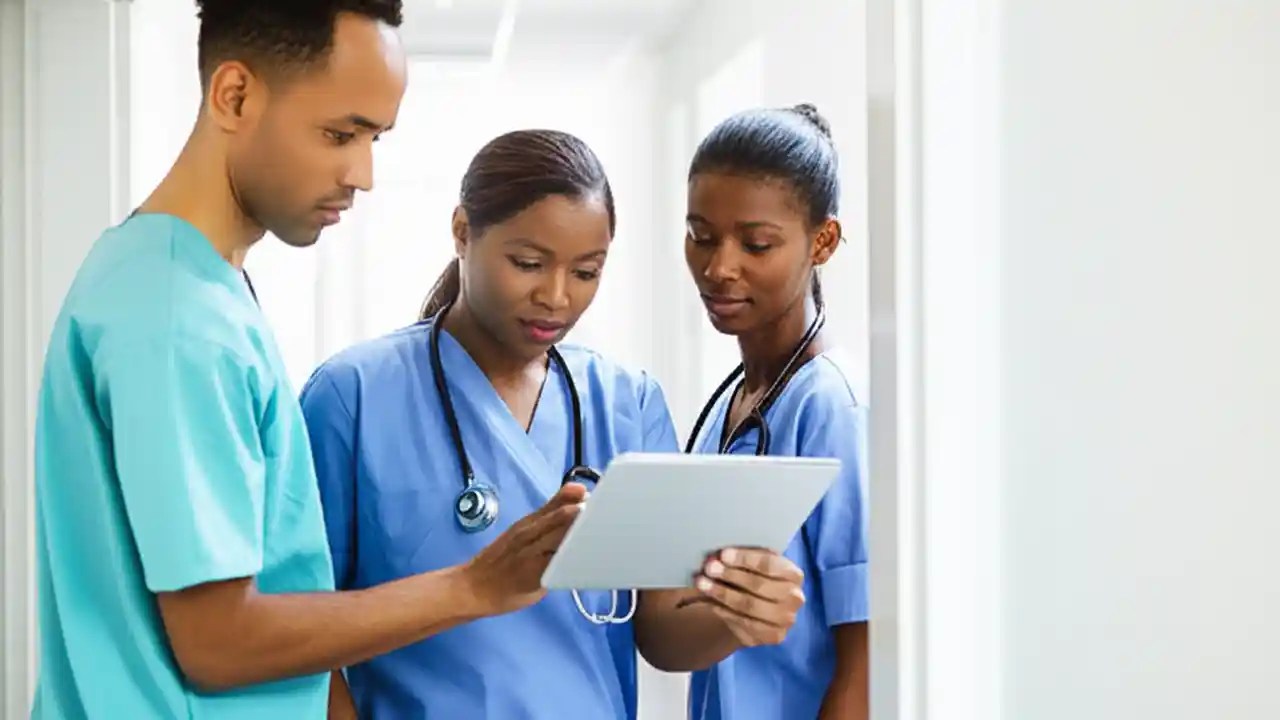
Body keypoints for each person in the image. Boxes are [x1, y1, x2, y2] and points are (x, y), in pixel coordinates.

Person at [29, 3, 564, 718]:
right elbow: (218, 642)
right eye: (340, 134)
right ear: (234, 96)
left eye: (374, 138)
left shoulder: (177, 280)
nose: (363, 173)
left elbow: (275, 589)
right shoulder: (176, 318)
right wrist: (472, 587)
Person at [298, 128, 810, 719]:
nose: (557, 297)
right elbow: (300, 629)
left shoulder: (628, 404)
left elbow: (662, 634)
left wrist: (738, 613)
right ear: (463, 232)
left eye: (586, 272)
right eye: (528, 264)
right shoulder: (352, 397)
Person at [674, 103, 870, 720]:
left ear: (823, 241)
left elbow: (866, 665)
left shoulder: (833, 409)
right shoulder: (730, 406)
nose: (718, 267)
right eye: (701, 235)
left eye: (756, 244)